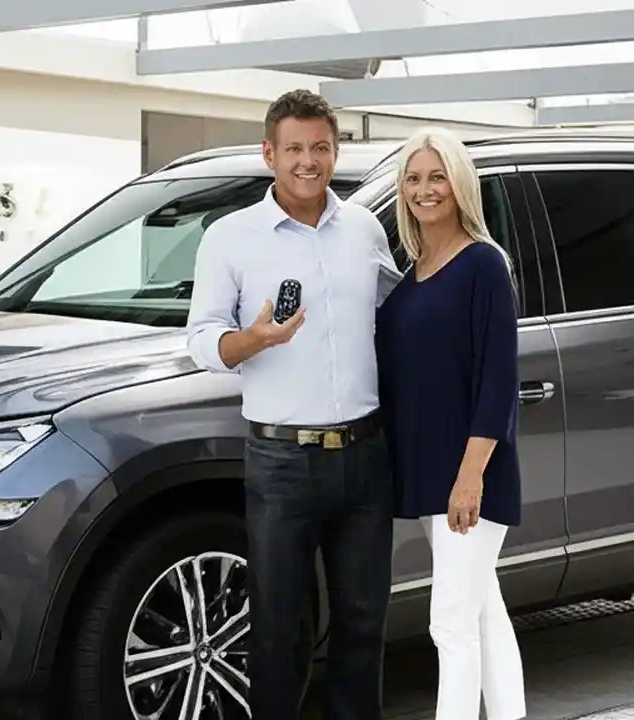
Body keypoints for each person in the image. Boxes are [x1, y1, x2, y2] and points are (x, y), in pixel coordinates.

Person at [186, 89, 402, 720]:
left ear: (335, 152)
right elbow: (201, 339)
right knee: (280, 627)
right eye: (295, 149)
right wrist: (253, 339)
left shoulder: (364, 230)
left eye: (321, 148)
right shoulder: (230, 237)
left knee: (364, 621)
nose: (309, 161)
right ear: (270, 154)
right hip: (282, 463)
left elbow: (396, 315)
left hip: (365, 455)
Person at [375, 126, 527, 720]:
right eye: (413, 179)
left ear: (460, 183)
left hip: (471, 476)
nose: (424, 189)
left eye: (437, 176)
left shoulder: (484, 265)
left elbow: (498, 380)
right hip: (430, 471)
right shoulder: (412, 273)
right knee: (484, 612)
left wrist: (469, 477)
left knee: (451, 623)